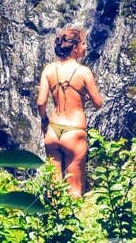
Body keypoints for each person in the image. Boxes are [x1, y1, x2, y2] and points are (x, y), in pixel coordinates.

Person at [36, 25, 104, 197]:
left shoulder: (49, 70)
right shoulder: (84, 72)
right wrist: (85, 95)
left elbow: (41, 101)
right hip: (74, 132)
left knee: (54, 191)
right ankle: (72, 223)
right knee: (74, 192)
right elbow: (98, 103)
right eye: (82, 43)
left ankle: (52, 221)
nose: (85, 47)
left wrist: (44, 120)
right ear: (74, 48)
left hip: (53, 131)